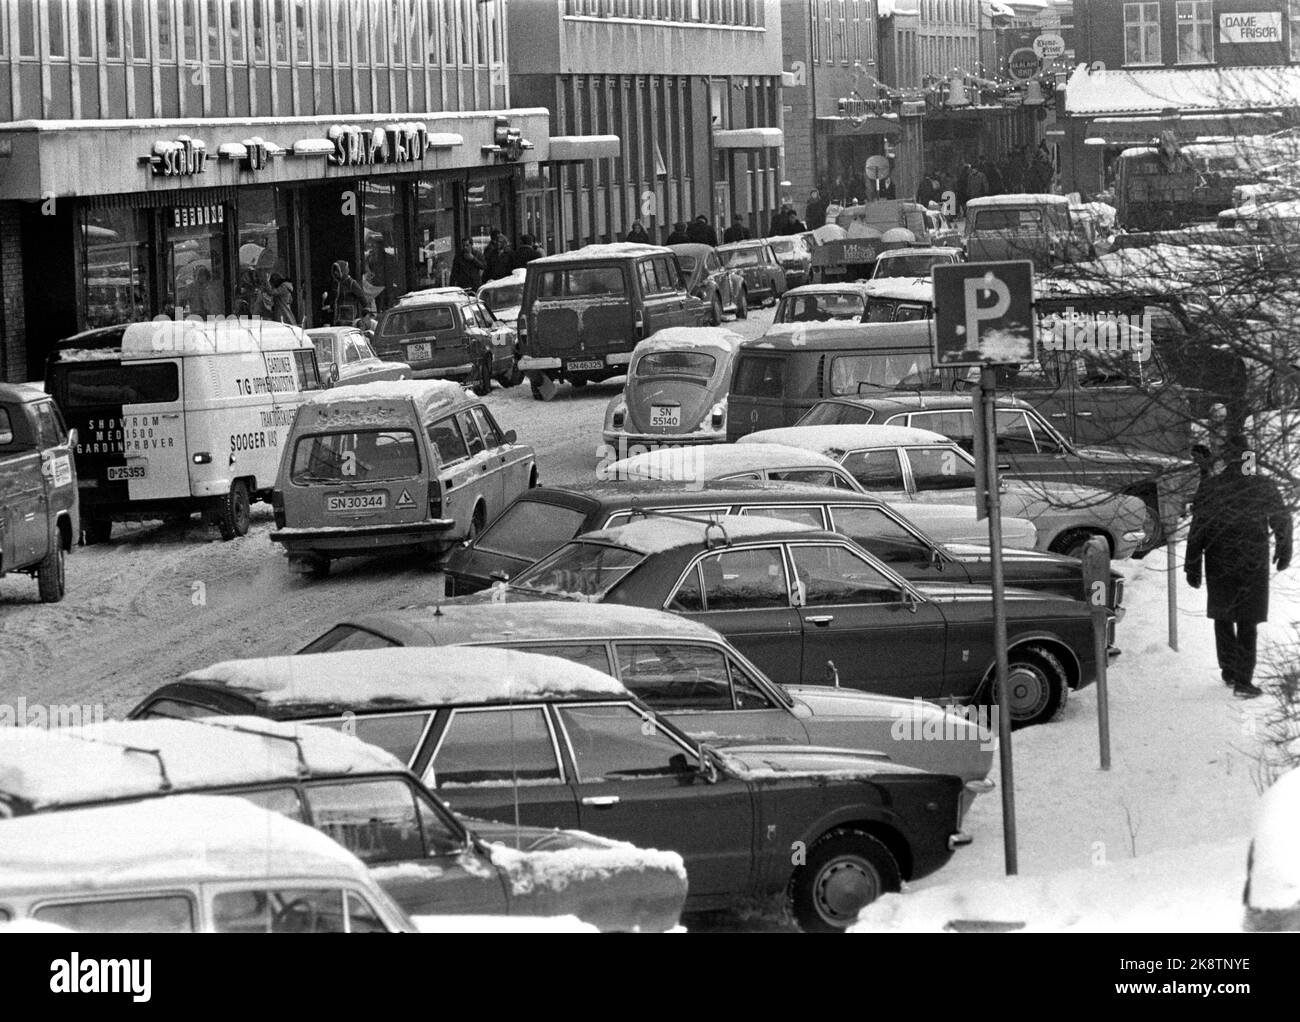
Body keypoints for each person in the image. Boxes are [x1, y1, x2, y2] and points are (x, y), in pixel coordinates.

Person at [1185, 437, 1292, 698]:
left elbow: (1198, 526)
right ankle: (1243, 678)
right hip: (1252, 560)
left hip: (1218, 558)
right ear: (1249, 458)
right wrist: (1283, 549)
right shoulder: (1262, 486)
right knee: (1247, 619)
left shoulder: (1211, 487)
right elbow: (1281, 519)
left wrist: (1193, 564)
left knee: (1223, 615)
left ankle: (1229, 669)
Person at [325, 260, 374, 327]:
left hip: (348, 316)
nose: (335, 273)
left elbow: (361, 296)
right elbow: (334, 298)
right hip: (337, 316)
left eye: (337, 271)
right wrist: (330, 306)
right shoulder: (335, 284)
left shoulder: (351, 283)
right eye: (334, 271)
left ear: (342, 271)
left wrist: (366, 309)